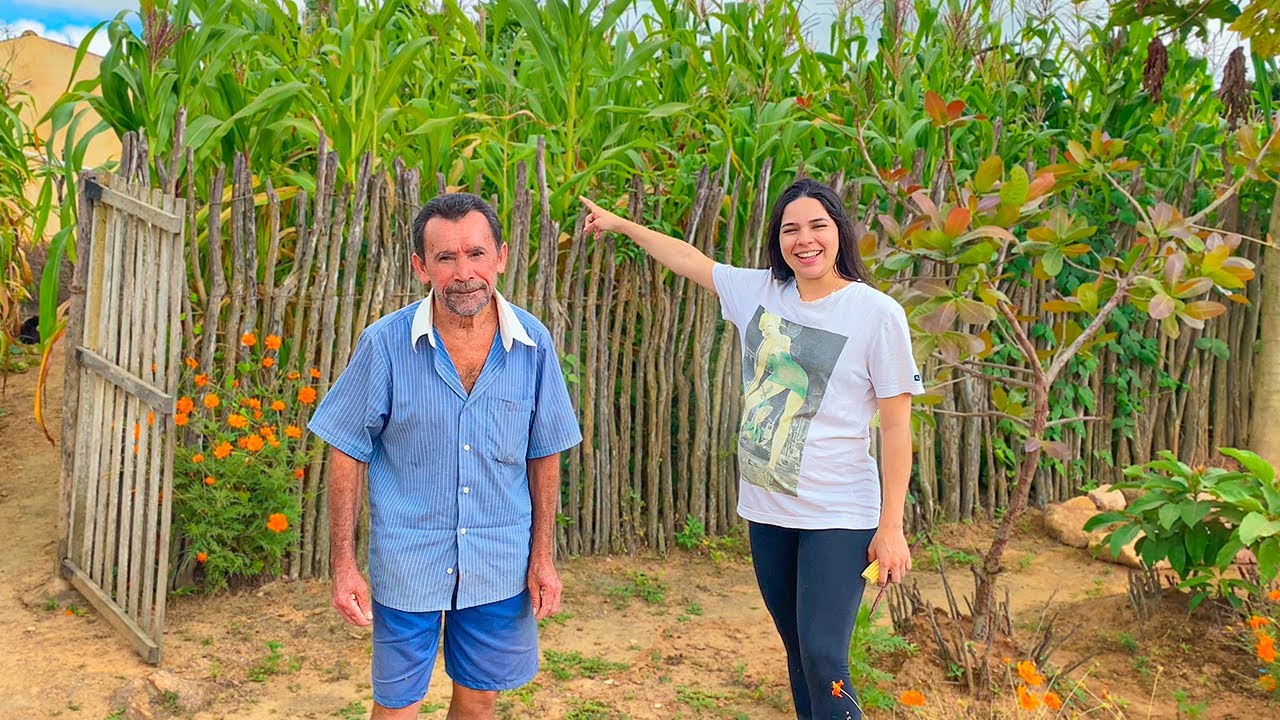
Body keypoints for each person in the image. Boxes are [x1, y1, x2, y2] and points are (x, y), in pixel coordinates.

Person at [581, 179, 922, 719]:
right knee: (798, 653)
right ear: (777, 240)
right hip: (767, 512)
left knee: (825, 653)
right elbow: (688, 258)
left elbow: (898, 429)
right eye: (791, 229)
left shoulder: (876, 314)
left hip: (840, 512)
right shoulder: (760, 292)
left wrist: (892, 526)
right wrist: (621, 225)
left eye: (818, 227)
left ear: (840, 234)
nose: (804, 240)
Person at [307, 192, 582, 720]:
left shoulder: (534, 345)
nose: (464, 273)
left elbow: (545, 453)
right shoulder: (385, 345)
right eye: (446, 258)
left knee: (479, 703)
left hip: (499, 561)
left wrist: (542, 556)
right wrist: (343, 565)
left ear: (501, 257)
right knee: (397, 708)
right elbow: (345, 449)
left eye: (476, 254)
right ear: (420, 266)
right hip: (408, 561)